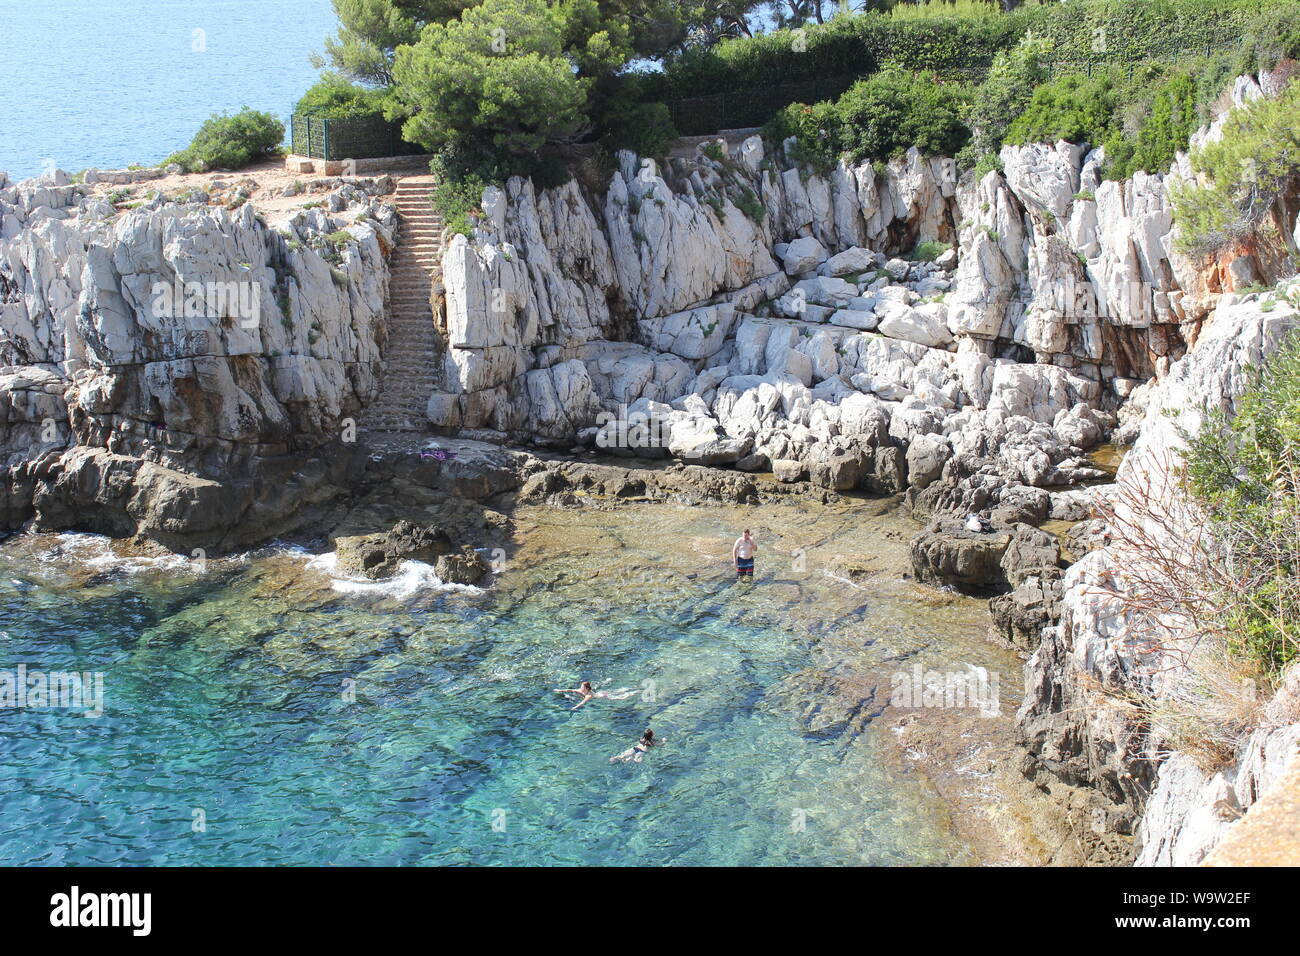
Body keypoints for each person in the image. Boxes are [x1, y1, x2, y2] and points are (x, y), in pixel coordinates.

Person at [553, 681, 637, 710]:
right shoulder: (581, 690)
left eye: (582, 687)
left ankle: (633, 692)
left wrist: (575, 707)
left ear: (586, 688)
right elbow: (570, 690)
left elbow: (583, 703)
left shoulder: (588, 695)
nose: (580, 688)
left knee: (619, 696)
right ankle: (629, 690)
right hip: (601, 693)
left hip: (604, 696)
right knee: (617, 692)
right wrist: (559, 690)